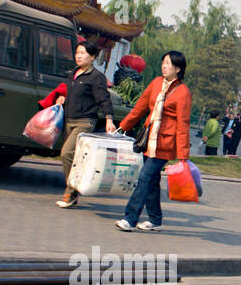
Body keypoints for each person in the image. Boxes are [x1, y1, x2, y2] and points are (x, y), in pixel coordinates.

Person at [115, 51, 190, 232]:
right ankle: (155, 220)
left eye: (168, 64)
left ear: (178, 68)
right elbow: (140, 107)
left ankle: (130, 219)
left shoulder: (183, 92)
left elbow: (183, 124)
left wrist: (183, 155)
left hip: (165, 143)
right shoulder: (156, 83)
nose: (164, 66)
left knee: (144, 178)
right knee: (152, 181)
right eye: (163, 62)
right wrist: (123, 126)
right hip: (149, 139)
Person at [44, 40, 115, 208]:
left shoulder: (97, 77)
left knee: (66, 153)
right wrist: (63, 98)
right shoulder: (73, 73)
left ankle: (71, 192)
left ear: (92, 57)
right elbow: (71, 93)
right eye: (77, 53)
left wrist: (109, 118)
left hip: (84, 122)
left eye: (83, 53)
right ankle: (74, 191)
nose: (79, 56)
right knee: (75, 158)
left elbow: (104, 99)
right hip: (69, 120)